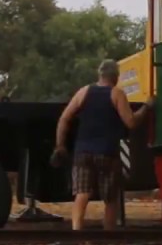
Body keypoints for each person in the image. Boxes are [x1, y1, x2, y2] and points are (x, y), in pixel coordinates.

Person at [51, 59, 154, 231]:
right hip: (107, 153)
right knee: (110, 198)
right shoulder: (116, 94)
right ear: (116, 76)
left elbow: (64, 119)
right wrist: (146, 107)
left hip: (82, 152)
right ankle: (108, 234)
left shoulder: (83, 92)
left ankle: (77, 232)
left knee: (82, 194)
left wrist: (60, 145)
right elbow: (130, 122)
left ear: (99, 74)